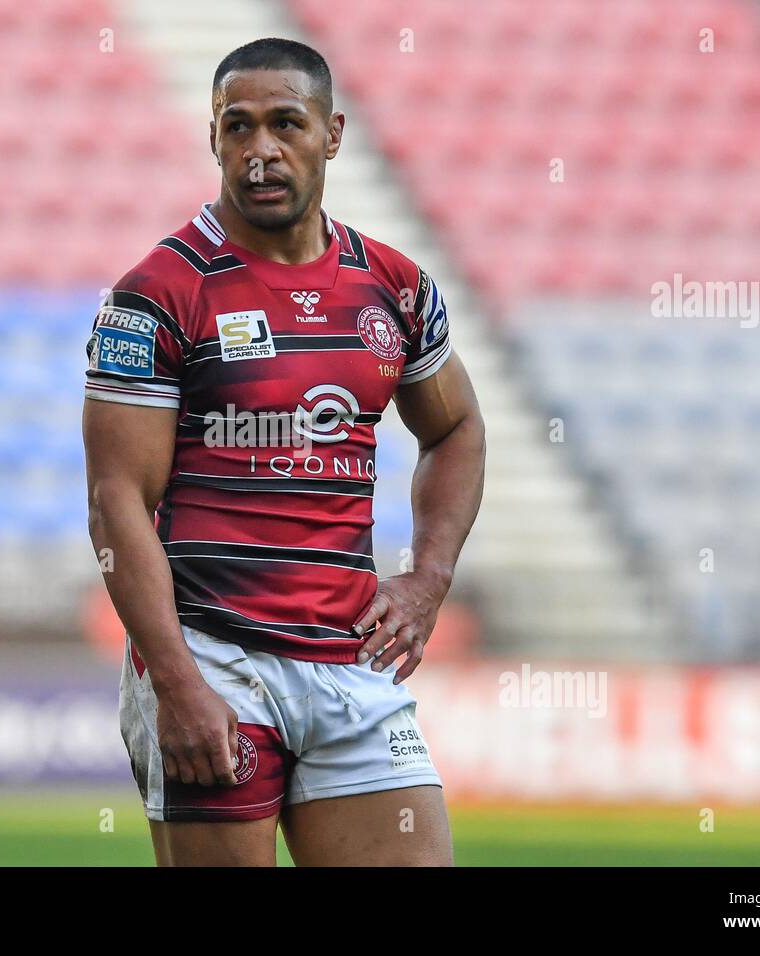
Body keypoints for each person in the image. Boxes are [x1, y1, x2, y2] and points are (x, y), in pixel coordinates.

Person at [82, 37, 485, 866]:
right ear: (214, 139)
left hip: (350, 660)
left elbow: (454, 430)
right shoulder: (155, 295)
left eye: (284, 125)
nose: (259, 149)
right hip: (213, 659)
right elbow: (114, 500)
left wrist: (428, 577)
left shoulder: (396, 287)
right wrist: (176, 683)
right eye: (237, 127)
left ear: (332, 134)